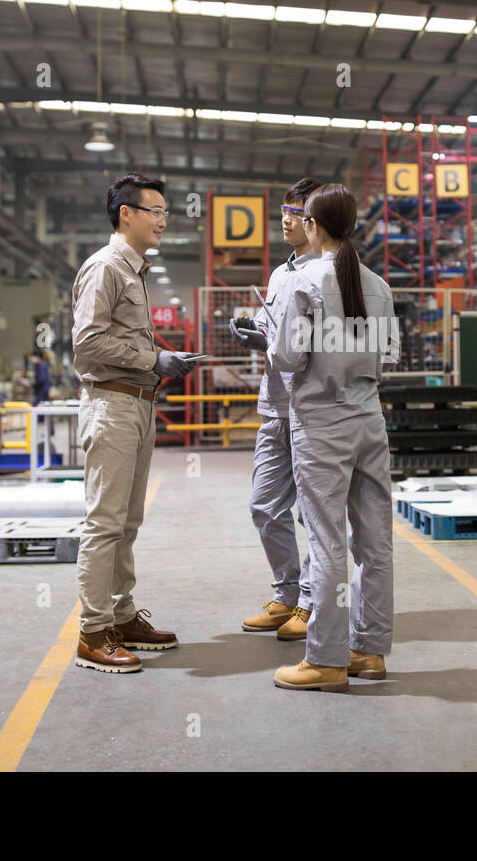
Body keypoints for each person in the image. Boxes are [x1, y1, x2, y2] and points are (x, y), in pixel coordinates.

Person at [263, 182, 400, 692]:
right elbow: (389, 357)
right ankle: (369, 651)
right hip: (370, 421)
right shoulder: (379, 285)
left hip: (322, 425)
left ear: (314, 226)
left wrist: (273, 327)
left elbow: (286, 359)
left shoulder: (305, 282)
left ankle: (325, 659)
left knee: (326, 542)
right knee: (375, 542)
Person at [70, 173, 200, 674]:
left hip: (138, 405)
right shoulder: (105, 268)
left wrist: (160, 361)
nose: (164, 220)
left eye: (166, 212)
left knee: (127, 522)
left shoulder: (135, 270)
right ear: (127, 213)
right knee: (104, 523)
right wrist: (154, 361)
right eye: (156, 211)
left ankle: (121, 617)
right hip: (113, 406)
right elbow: (88, 343)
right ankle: (92, 631)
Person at [229, 178, 321, 641]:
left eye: (296, 210)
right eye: (283, 210)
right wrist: (254, 333)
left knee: (314, 514)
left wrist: (277, 343)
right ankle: (286, 594)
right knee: (264, 505)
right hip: (275, 405)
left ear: (317, 217)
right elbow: (272, 331)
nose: (286, 219)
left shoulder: (328, 272)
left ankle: (310, 601)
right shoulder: (281, 273)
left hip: (312, 408)